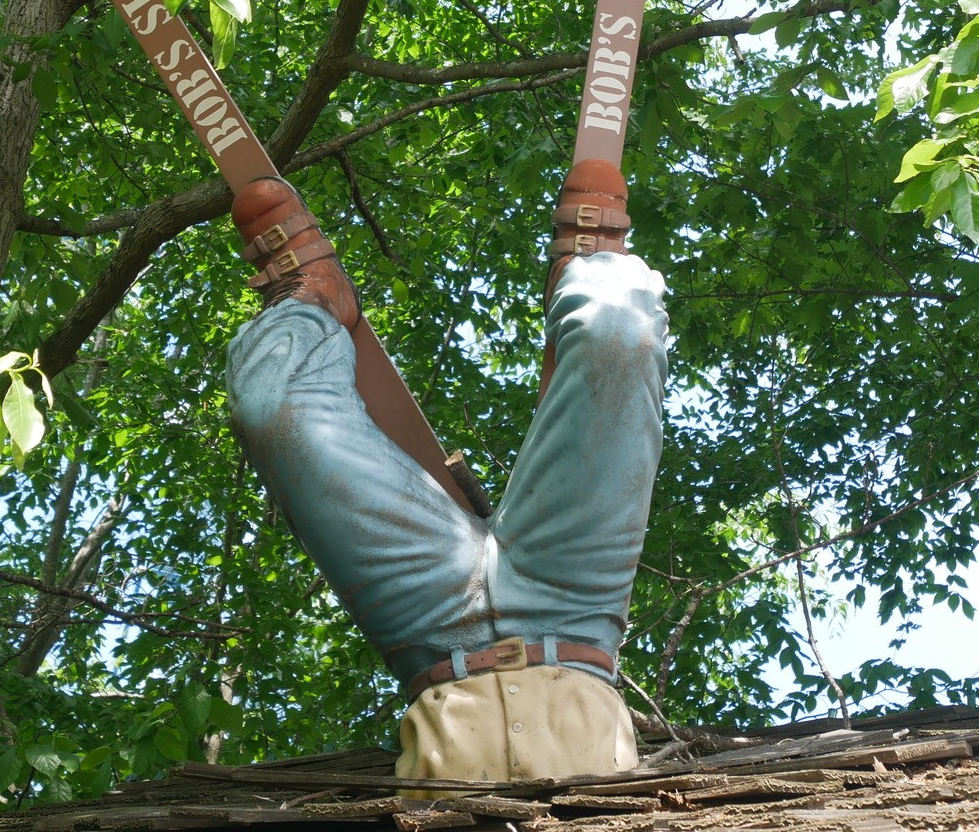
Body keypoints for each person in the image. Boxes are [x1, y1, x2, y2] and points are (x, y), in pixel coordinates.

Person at [224, 160, 668, 784]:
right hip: (572, 607)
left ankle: (318, 298)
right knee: (620, 336)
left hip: (429, 631)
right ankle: (589, 273)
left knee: (269, 406)